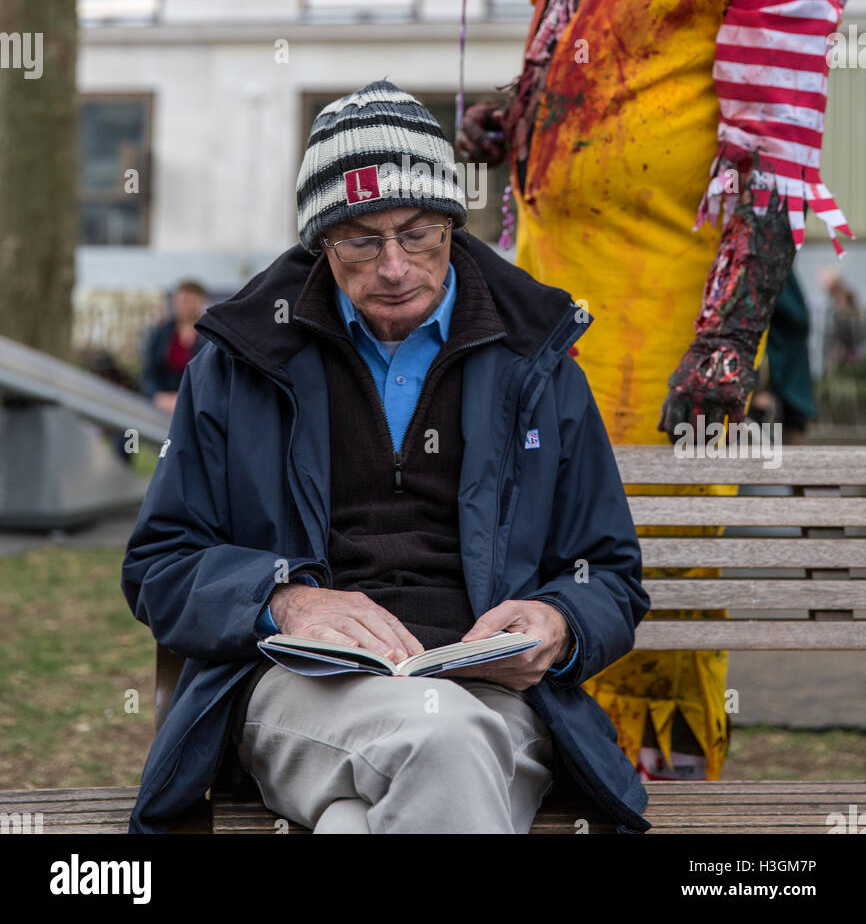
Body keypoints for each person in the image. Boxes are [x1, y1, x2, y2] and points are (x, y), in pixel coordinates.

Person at [458, 0, 853, 781]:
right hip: (543, 308)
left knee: (653, 558)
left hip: (659, 320)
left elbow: (772, 164)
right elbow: (569, 86)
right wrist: (505, 123)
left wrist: (726, 338)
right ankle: (549, 753)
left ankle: (667, 798)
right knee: (533, 541)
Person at [121, 81, 650, 835]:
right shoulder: (241, 358)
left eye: (419, 233)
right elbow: (161, 565)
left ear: (452, 226)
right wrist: (283, 600)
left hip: (494, 692)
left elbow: (610, 573)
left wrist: (559, 621)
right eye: (362, 240)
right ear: (320, 244)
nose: (396, 266)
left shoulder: (536, 359)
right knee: (444, 742)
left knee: (357, 819)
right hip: (300, 688)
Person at [140, 280, 207, 415]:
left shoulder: (209, 338)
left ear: (200, 301)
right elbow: (148, 372)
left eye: (189, 300)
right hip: (161, 403)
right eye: (180, 300)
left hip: (196, 404)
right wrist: (158, 396)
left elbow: (210, 378)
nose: (184, 305)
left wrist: (186, 399)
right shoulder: (160, 333)